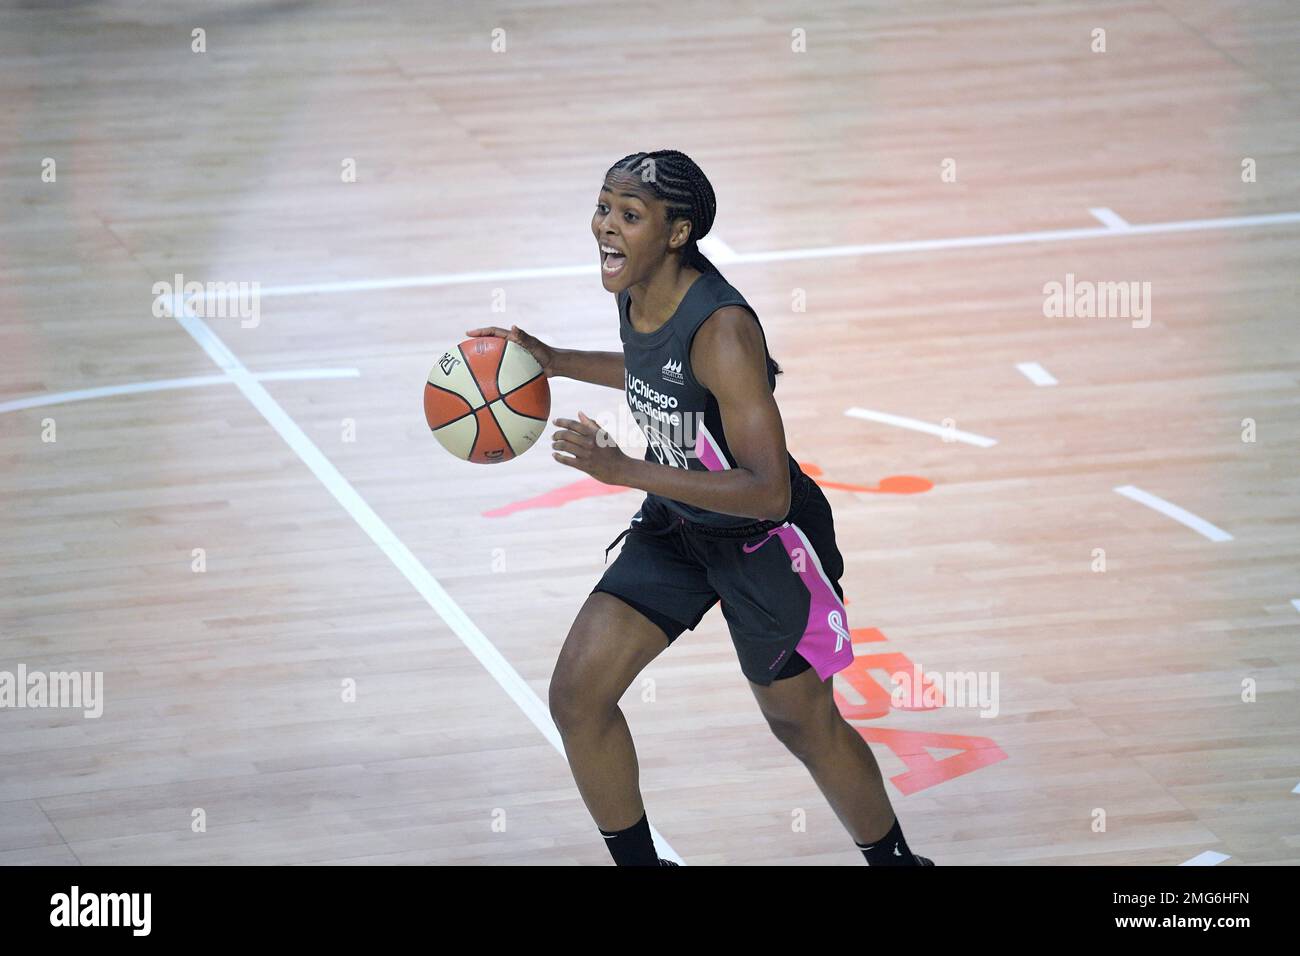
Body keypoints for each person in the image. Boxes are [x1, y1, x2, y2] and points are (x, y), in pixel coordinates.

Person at [466, 150, 932, 867]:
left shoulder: (724, 331)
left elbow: (768, 490)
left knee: (801, 724)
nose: (606, 229)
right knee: (577, 697)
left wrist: (624, 470)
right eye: (603, 208)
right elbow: (650, 366)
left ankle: (899, 864)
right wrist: (557, 359)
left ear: (677, 233)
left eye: (630, 215)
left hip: (764, 543)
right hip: (680, 524)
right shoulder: (634, 288)